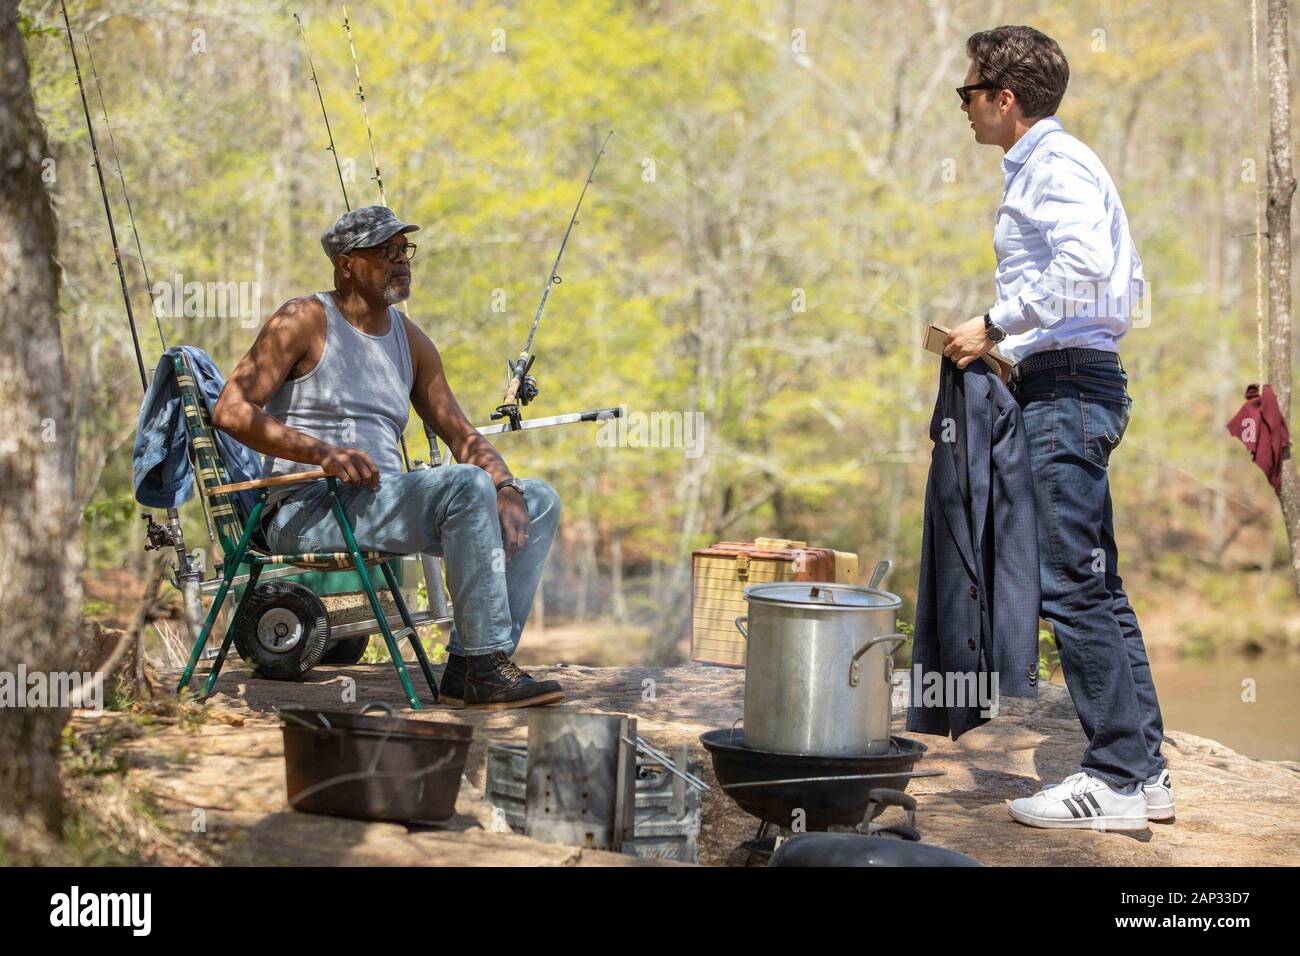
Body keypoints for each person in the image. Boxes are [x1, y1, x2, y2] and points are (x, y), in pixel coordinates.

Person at [943, 25, 1171, 830]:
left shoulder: (1055, 163)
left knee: (1070, 584)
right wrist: (1021, 346)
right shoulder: (1058, 165)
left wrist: (995, 325)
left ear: (1005, 99)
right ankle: (1146, 773)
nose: (963, 108)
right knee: (1096, 582)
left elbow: (1086, 272)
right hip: (1072, 377)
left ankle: (1112, 778)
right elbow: (1110, 281)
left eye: (968, 93)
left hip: (1070, 390)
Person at [213, 205, 564, 710]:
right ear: (346, 264)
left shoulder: (411, 339)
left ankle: (473, 665)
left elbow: (461, 434)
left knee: (541, 499)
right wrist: (323, 453)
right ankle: (488, 666)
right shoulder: (304, 319)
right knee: (465, 484)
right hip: (307, 508)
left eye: (404, 251)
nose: (401, 262)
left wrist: (507, 487)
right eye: (384, 252)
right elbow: (230, 410)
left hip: (378, 504)